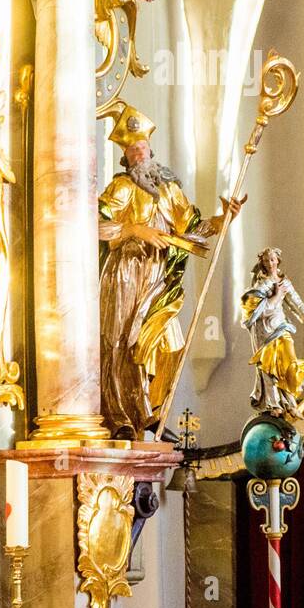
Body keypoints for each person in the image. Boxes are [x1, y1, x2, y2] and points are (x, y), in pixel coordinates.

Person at [98, 104, 244, 439]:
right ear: (126, 156)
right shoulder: (121, 188)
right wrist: (134, 229)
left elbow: (191, 228)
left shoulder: (169, 189)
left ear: (151, 149)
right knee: (125, 343)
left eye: (143, 148)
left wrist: (224, 219)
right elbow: (94, 222)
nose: (139, 154)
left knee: (170, 344)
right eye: (132, 150)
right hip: (126, 274)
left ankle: (153, 410)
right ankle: (124, 417)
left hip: (159, 278)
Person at [241, 248, 304, 419]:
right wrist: (276, 297)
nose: (270, 264)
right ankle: (275, 404)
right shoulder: (261, 284)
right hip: (264, 329)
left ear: (278, 261)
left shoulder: (284, 282)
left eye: (273, 260)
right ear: (262, 263)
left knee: (288, 361)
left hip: (281, 325)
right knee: (268, 366)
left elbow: (296, 302)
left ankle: (289, 402)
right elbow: (256, 312)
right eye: (266, 261)